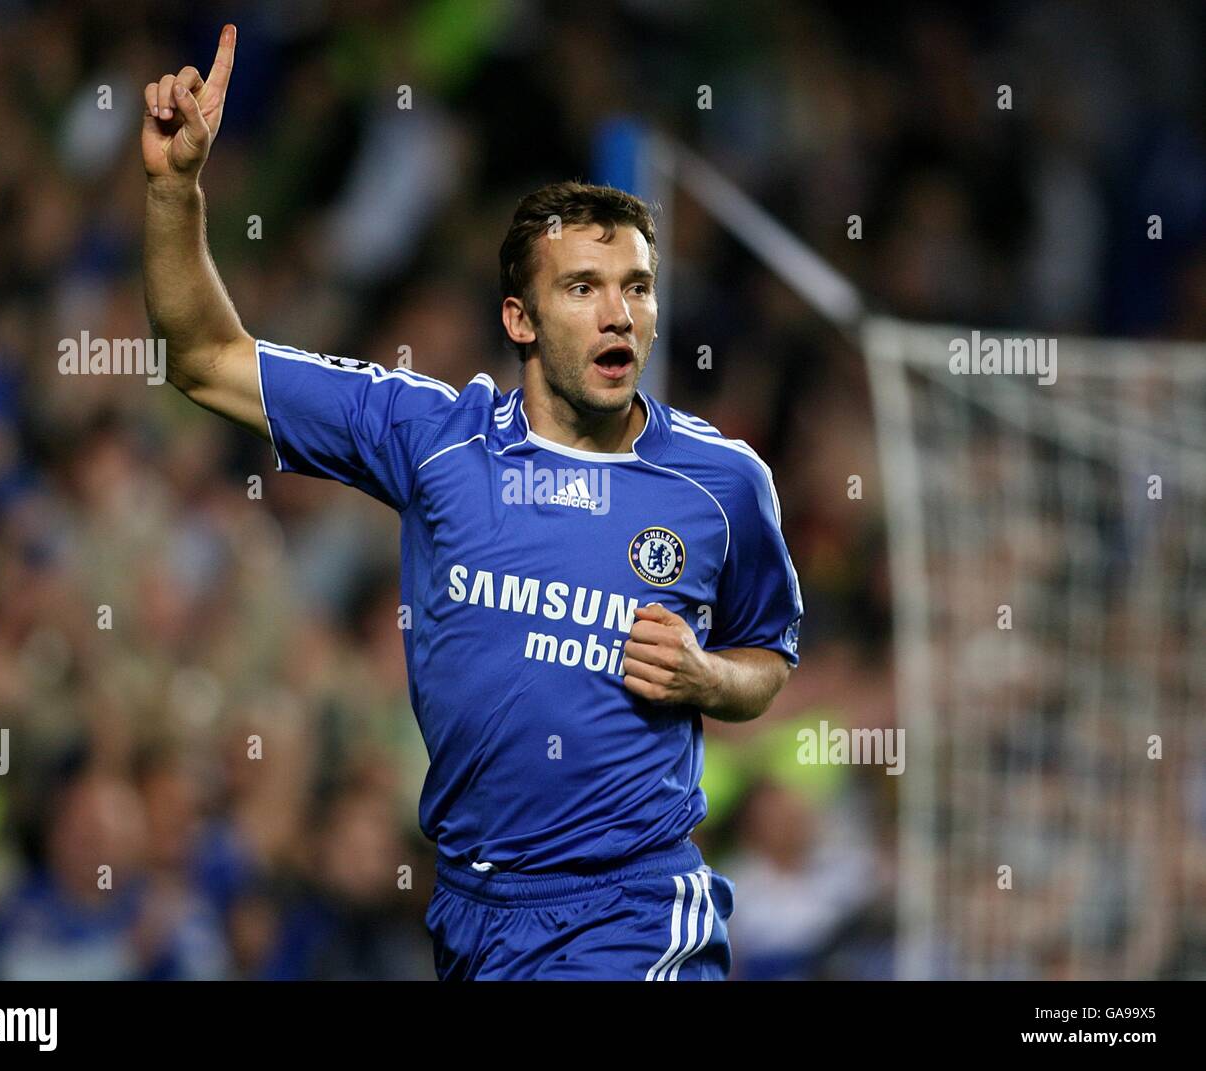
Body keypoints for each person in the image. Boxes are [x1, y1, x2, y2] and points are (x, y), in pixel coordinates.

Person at [140, 25, 802, 980]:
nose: (620, 314)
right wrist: (174, 193)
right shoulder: (434, 438)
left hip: (634, 911)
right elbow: (204, 358)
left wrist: (709, 679)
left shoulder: (724, 483)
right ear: (519, 319)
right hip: (473, 913)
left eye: (638, 288)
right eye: (584, 287)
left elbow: (767, 660)